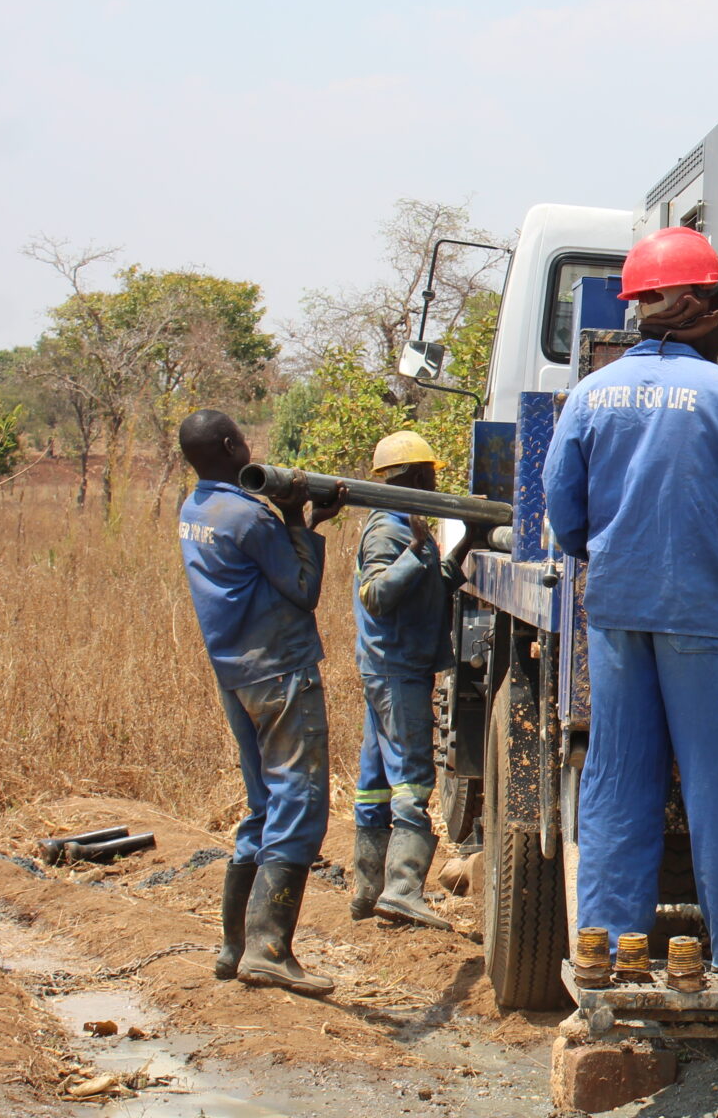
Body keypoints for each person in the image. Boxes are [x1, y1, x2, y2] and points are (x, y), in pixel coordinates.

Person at [542, 226, 718, 972]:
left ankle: (610, 951)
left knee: (618, 783)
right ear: (689, 304)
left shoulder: (588, 395)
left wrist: (612, 554)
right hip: (704, 619)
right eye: (715, 299)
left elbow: (563, 511)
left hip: (617, 613)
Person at [176, 408, 345, 997]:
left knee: (262, 803)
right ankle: (269, 948)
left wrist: (295, 519)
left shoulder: (195, 508)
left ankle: (232, 947)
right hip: (279, 672)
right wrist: (301, 519)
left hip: (236, 674)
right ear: (229, 444)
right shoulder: (250, 517)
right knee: (298, 798)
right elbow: (302, 591)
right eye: (242, 438)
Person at [349, 430, 490, 931]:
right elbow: (377, 596)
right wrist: (416, 551)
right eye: (429, 472)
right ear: (410, 475)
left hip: (391, 666)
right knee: (411, 777)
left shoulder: (404, 527)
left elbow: (431, 589)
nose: (435, 479)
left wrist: (466, 543)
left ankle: (368, 890)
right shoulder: (387, 531)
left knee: (373, 785)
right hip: (396, 669)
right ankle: (403, 889)